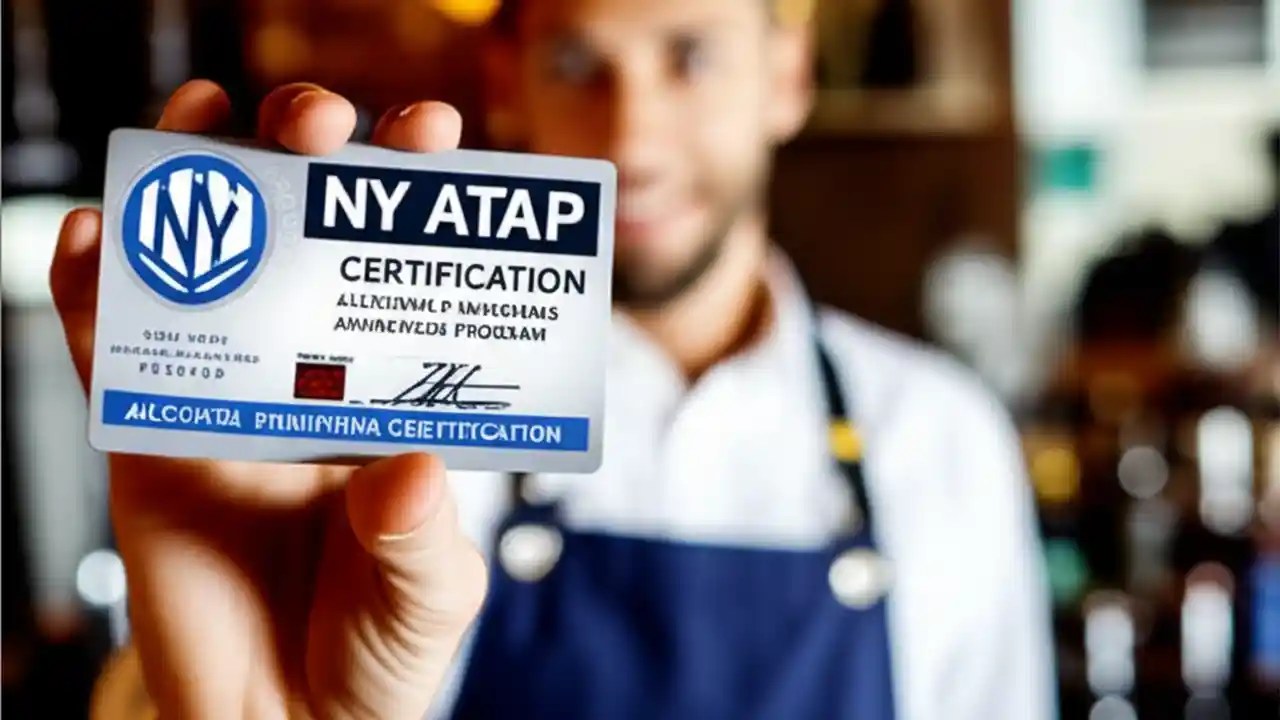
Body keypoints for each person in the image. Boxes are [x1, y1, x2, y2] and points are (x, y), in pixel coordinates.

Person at [55, 0, 1055, 717]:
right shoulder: (372, 426)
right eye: (577, 64)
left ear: (785, 78)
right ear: (507, 86)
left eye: (691, 54)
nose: (633, 134)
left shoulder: (941, 435)